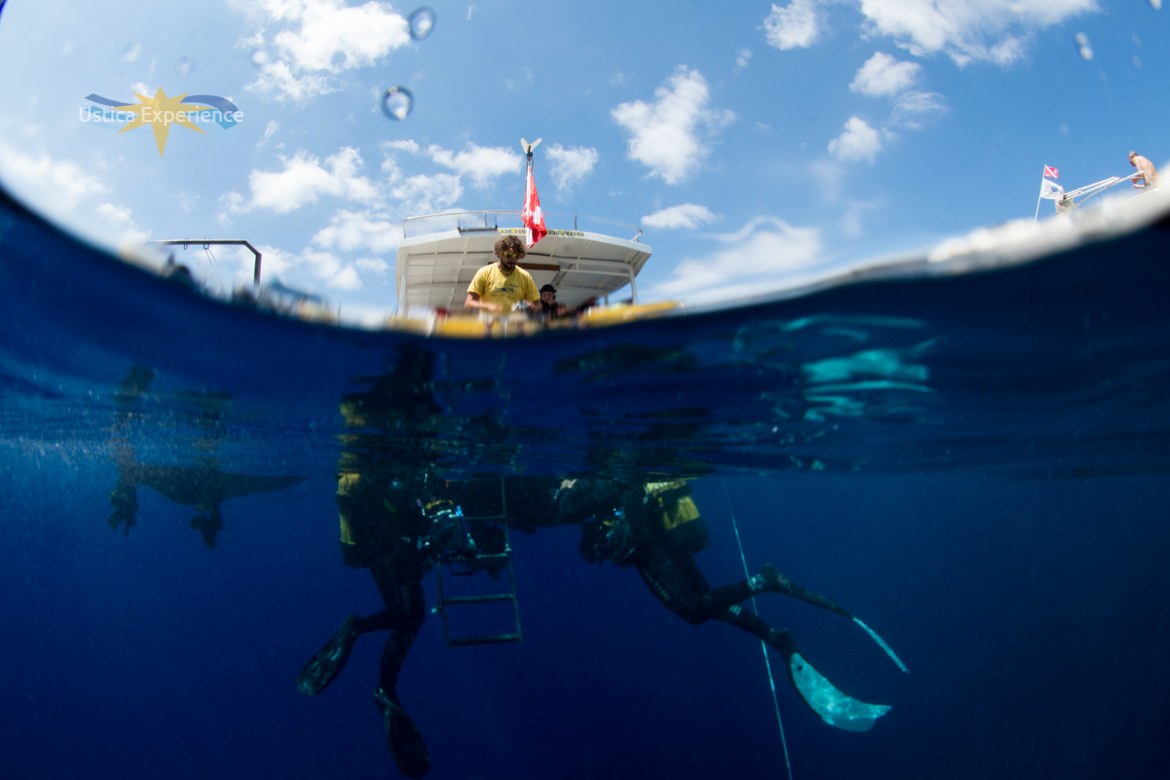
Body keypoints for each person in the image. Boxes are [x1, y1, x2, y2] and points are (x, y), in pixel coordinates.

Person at [574, 478, 899, 732]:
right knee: (709, 602)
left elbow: (611, 525)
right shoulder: (610, 490)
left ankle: (764, 582)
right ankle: (775, 636)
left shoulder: (599, 496)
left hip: (650, 548)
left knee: (695, 612)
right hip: (663, 538)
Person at [464, 235, 539, 315]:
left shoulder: (525, 276)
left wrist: (531, 307)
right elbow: (469, 303)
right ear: (500, 253)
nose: (513, 259)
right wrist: (488, 306)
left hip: (514, 322)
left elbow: (537, 305)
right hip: (489, 322)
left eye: (517, 256)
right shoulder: (484, 272)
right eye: (509, 255)